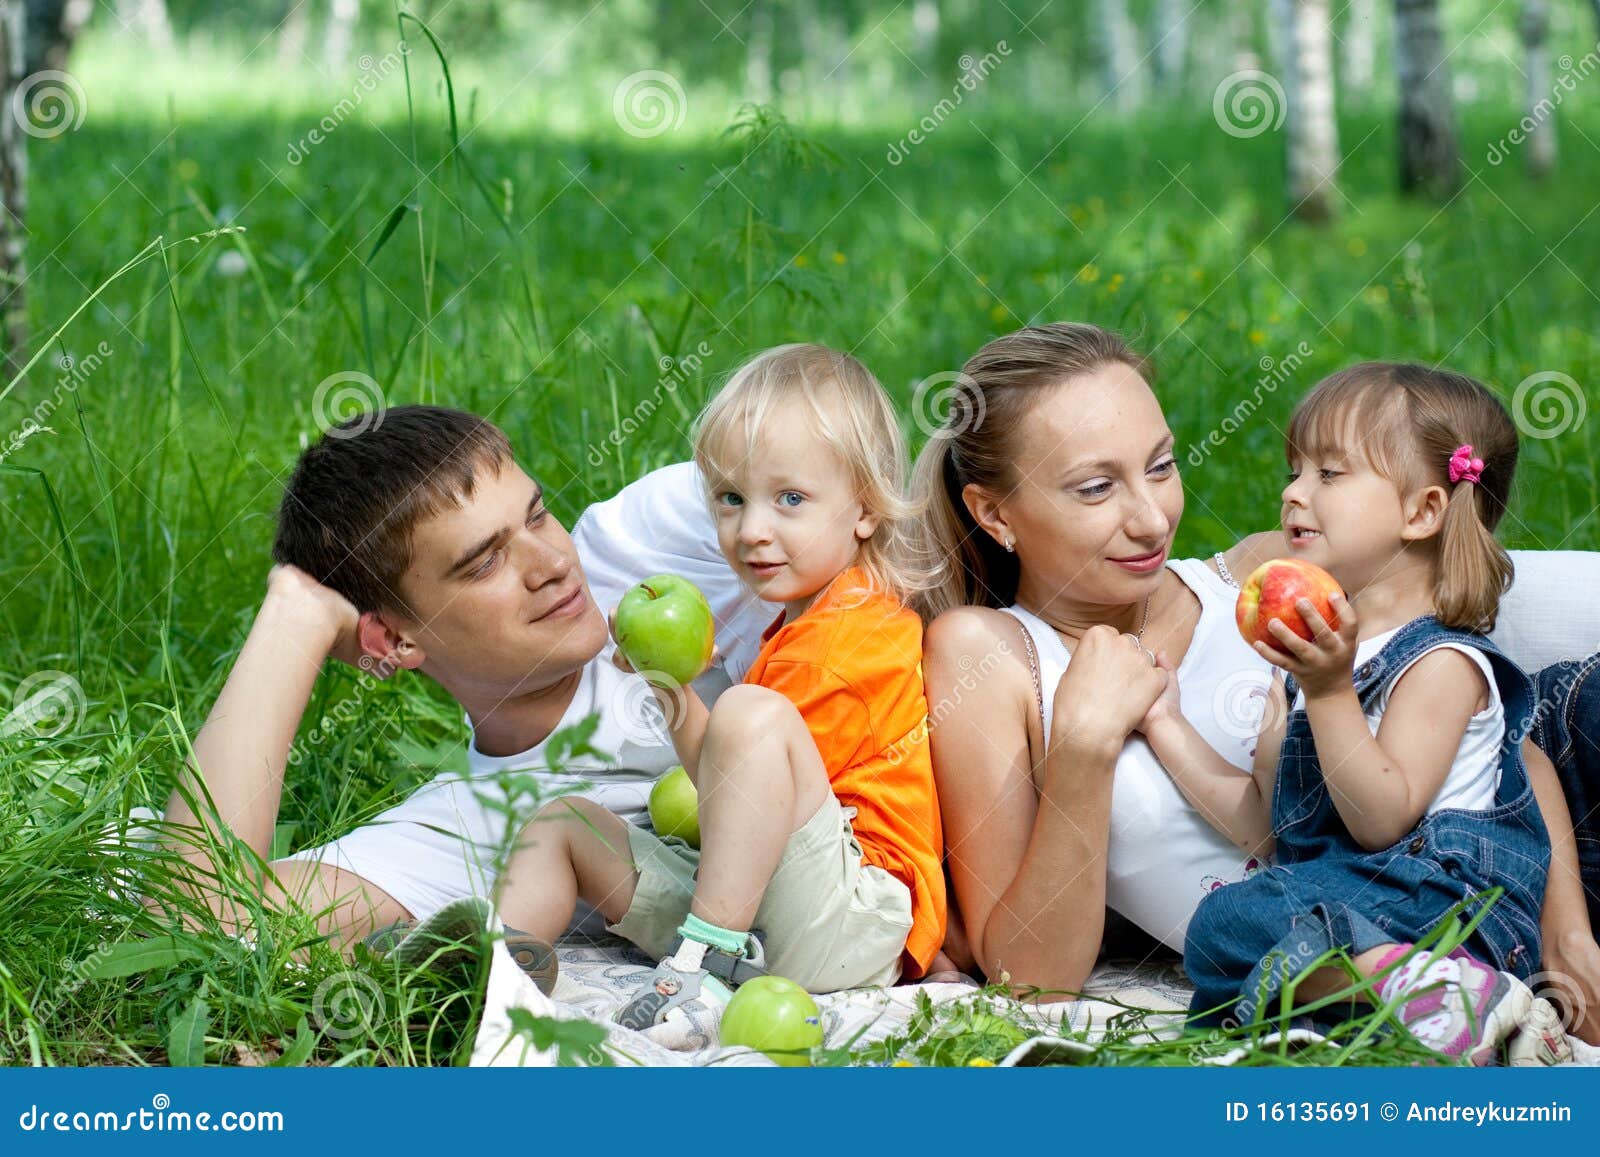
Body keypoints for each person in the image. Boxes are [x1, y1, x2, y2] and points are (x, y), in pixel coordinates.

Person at [911, 322, 1600, 1049]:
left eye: (1162, 466)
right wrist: (1084, 746)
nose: (1151, 519)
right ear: (994, 513)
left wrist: (1567, 935)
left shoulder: (1271, 575)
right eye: (1096, 488)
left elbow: (1497, 732)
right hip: (1386, 921)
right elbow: (1030, 978)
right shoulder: (988, 655)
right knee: (1233, 927)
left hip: (1523, 854)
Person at [160, 406, 776, 960]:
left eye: (538, 516)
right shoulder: (475, 827)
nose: (555, 564)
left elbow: (827, 478)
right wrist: (296, 615)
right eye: (484, 562)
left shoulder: (651, 545)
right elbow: (197, 914)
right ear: (394, 640)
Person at [493, 345, 945, 1027]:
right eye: (731, 499)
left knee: (747, 711)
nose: (752, 530)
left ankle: (700, 967)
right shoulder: (800, 627)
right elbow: (736, 801)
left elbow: (731, 792)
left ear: (864, 508)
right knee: (566, 826)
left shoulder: (856, 636)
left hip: (848, 916)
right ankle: (487, 968)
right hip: (763, 911)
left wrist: (684, 692)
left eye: (790, 499)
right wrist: (668, 682)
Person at [1142, 363, 1567, 1063]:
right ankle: (1443, 1009)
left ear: (1422, 512)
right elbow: (1266, 825)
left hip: (1447, 905)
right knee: (1223, 928)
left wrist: (1331, 690)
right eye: (1295, 471)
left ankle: (1432, 987)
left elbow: (1383, 818)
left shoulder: (1442, 662)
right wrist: (1165, 723)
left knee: (1237, 926)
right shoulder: (1312, 663)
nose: (1293, 493)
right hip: (1357, 906)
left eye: (1329, 474)